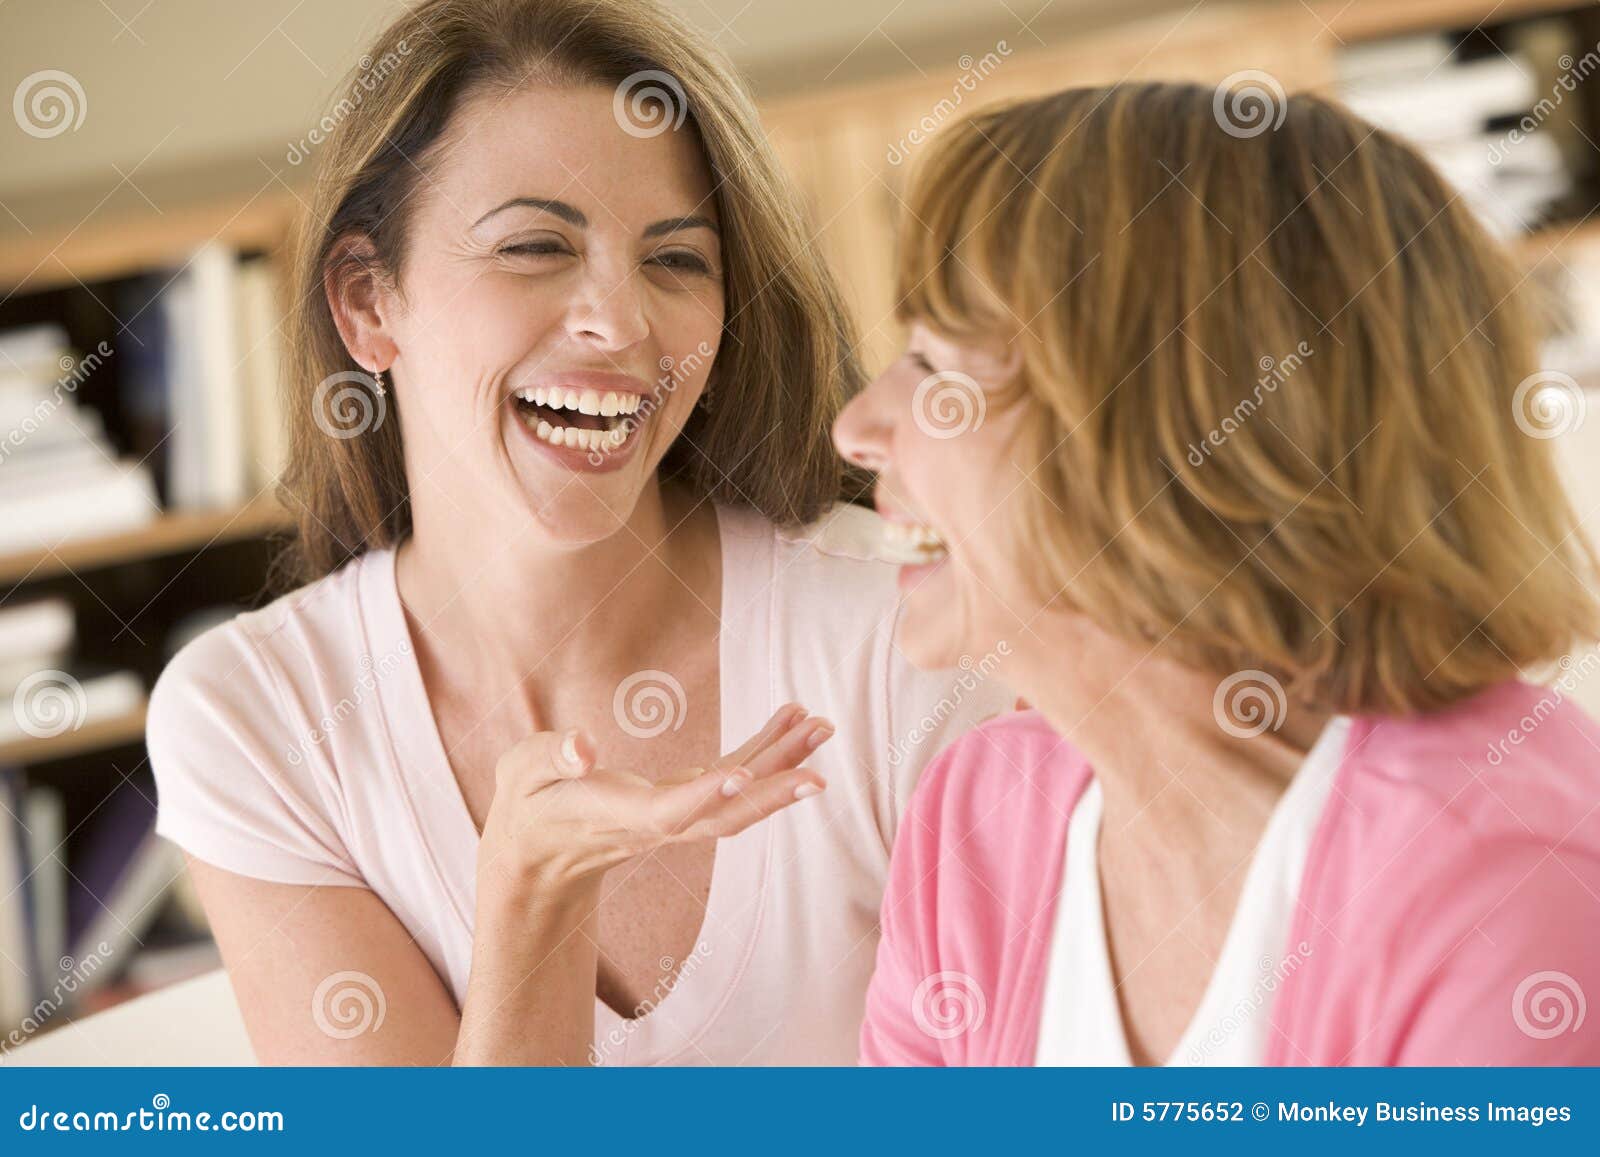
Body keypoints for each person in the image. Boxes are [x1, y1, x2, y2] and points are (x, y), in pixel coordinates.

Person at [146, 0, 1011, 1066]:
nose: (621, 322)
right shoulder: (258, 718)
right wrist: (532, 904)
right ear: (369, 302)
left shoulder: (904, 630)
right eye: (535, 246)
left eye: (676, 260)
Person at [836, 82, 1600, 1065]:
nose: (854, 428)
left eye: (936, 368)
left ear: (1178, 437)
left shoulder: (1502, 877)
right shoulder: (981, 819)